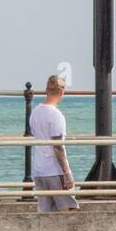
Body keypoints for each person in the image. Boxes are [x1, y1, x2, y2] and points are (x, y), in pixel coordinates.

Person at [28, 74, 78, 212]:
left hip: (39, 170)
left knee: (46, 214)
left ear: (46, 90)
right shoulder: (56, 115)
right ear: (62, 92)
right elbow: (58, 147)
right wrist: (67, 172)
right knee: (68, 210)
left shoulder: (35, 112)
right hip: (55, 170)